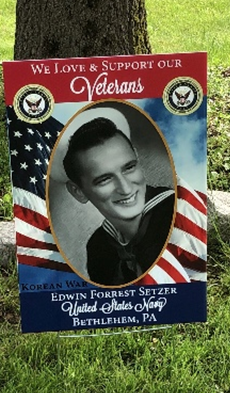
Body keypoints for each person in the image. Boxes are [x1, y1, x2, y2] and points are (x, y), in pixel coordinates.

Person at [63, 116, 174, 286]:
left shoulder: (177, 214)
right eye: (104, 179)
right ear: (78, 192)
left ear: (137, 158)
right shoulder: (99, 246)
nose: (126, 188)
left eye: (129, 167)